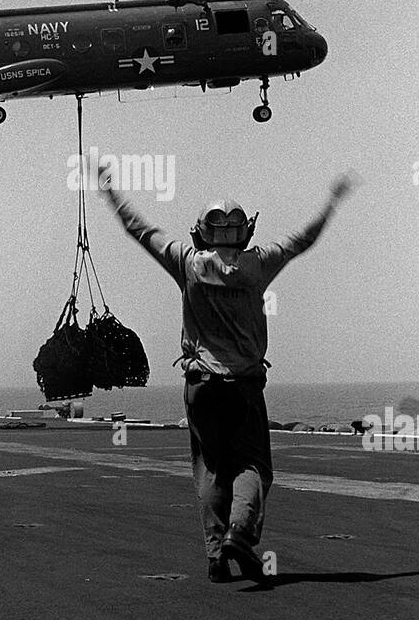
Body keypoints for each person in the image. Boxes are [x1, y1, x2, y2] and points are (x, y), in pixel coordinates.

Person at [97, 166, 359, 584]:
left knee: (211, 467)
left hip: (200, 385)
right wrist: (331, 203)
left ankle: (216, 555)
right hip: (245, 385)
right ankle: (240, 532)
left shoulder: (186, 261)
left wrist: (111, 194)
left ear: (201, 232)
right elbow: (302, 241)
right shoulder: (260, 264)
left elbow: (141, 230)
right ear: (245, 232)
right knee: (253, 465)